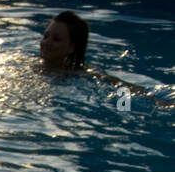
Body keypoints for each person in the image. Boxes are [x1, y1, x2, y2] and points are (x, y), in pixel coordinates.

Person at [40, 11, 173, 107]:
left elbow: (124, 86)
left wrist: (158, 101)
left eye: (56, 39)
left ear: (72, 47)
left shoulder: (81, 74)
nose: (46, 42)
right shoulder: (26, 64)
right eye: (46, 36)